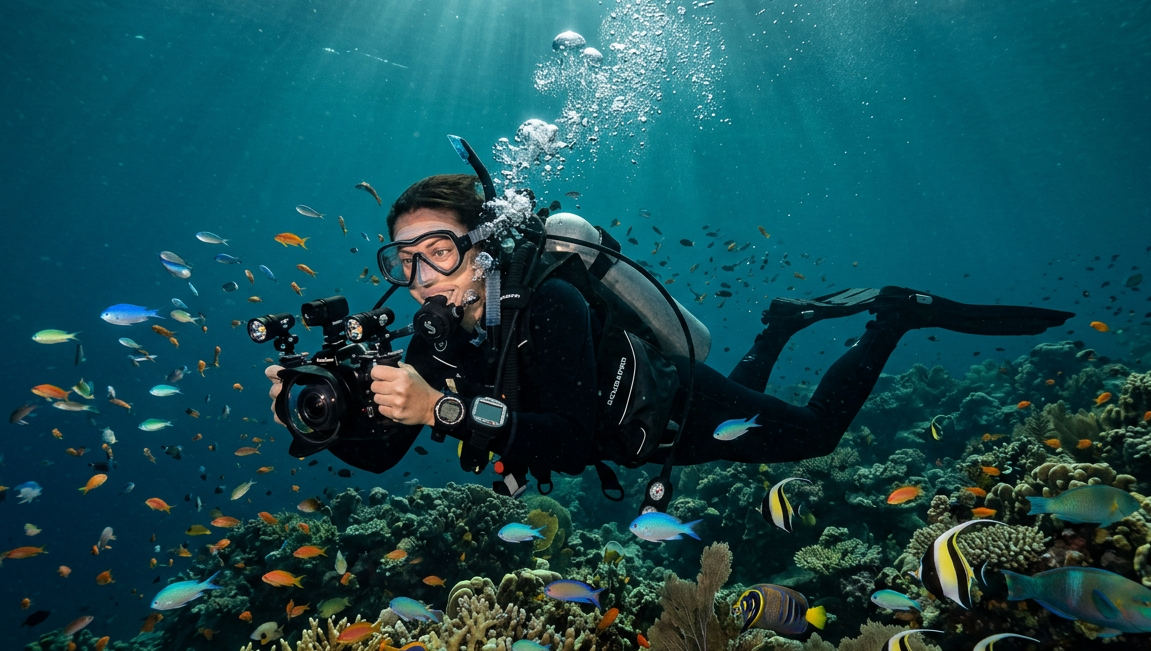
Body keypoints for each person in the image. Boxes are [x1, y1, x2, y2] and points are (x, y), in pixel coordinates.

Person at [266, 172, 1072, 510]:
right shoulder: (433, 331)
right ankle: (784, 324)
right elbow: (382, 453)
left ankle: (894, 315)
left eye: (436, 250)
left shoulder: (549, 304)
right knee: (750, 389)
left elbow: (574, 440)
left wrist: (443, 410)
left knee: (815, 437)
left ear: (480, 245)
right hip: (642, 420)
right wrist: (316, 417)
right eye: (401, 260)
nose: (420, 276)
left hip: (671, 410)